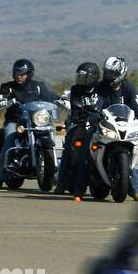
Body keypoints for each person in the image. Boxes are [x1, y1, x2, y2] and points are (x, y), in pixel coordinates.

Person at [0, 58, 59, 188]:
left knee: (51, 132)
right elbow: (4, 95)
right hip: (16, 121)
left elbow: (49, 96)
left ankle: (56, 173)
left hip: (36, 120)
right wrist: (3, 100)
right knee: (9, 139)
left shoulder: (38, 86)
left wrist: (59, 99)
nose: (19, 77)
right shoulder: (8, 87)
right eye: (17, 74)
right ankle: (0, 177)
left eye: (22, 74)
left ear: (29, 74)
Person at [94, 56, 138, 201]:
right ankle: (78, 186)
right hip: (106, 127)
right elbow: (97, 104)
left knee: (134, 151)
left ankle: (135, 190)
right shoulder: (100, 87)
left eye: (112, 73)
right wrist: (94, 116)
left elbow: (137, 107)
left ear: (121, 73)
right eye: (106, 73)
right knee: (88, 148)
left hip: (125, 127)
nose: (108, 76)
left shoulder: (128, 88)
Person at [60, 61, 101, 196]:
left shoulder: (102, 89)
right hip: (79, 123)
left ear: (93, 77)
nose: (80, 80)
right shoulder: (76, 89)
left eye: (84, 77)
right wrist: (81, 121)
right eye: (80, 77)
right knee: (70, 145)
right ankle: (61, 183)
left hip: (100, 124)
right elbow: (76, 110)